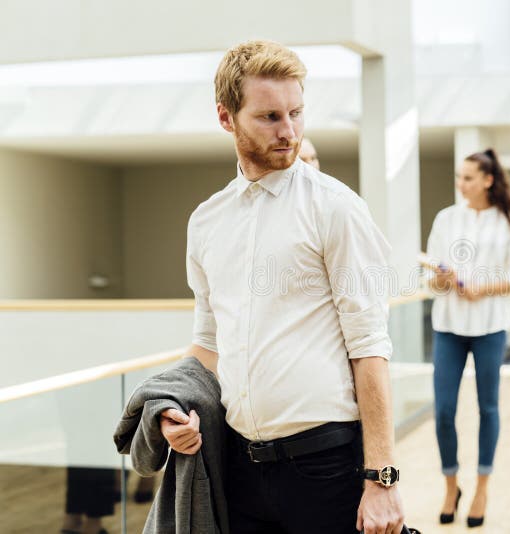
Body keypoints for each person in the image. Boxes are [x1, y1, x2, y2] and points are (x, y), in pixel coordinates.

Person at [159, 40, 404, 534]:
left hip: (326, 463)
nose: (289, 131)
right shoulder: (206, 221)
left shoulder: (336, 208)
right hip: (238, 466)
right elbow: (208, 342)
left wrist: (382, 479)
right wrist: (173, 407)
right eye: (270, 116)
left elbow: (369, 345)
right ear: (227, 118)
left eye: (296, 113)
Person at [425, 149, 510, 528]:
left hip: (490, 327)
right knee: (443, 411)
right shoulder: (446, 218)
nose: (461, 184)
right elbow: (431, 279)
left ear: (488, 180)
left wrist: (481, 288)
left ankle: (482, 487)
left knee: (488, 408)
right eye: (459, 177)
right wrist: (440, 277)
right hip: (448, 327)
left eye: (468, 177)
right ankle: (451, 485)